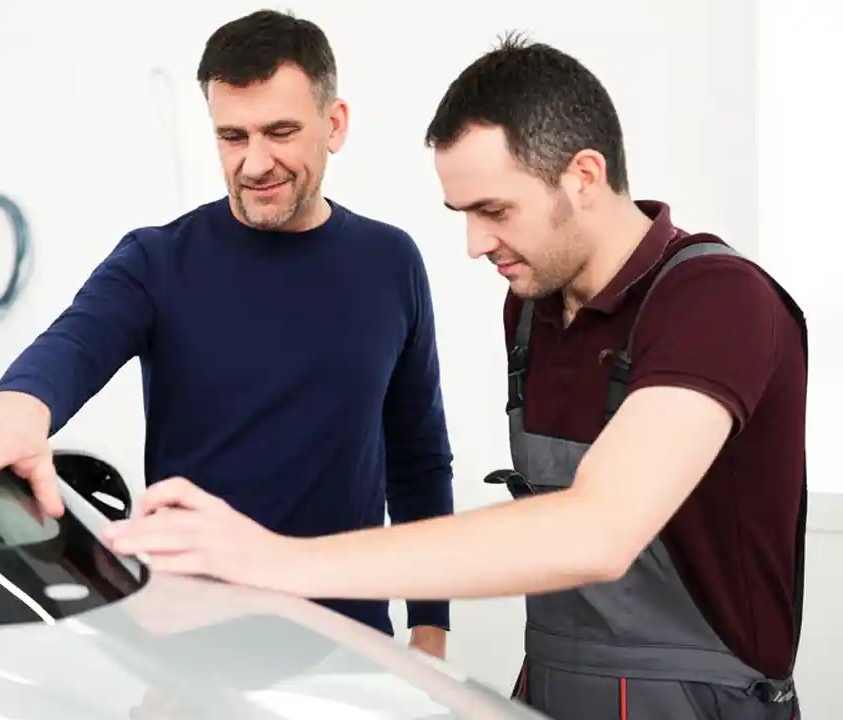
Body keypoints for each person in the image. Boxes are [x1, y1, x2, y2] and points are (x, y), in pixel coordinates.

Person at [101, 34, 809, 720]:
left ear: (584, 177)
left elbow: (597, 531)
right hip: (549, 684)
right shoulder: (534, 309)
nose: (474, 245)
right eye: (463, 214)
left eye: (494, 211)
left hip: (694, 701)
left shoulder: (718, 302)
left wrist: (276, 563)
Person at [0, 9, 455, 656]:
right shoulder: (156, 262)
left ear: (334, 124)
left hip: (348, 644)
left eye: (280, 131)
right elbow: (75, 344)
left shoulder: (390, 263)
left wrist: (430, 630)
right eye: (233, 136)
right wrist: (18, 409)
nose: (255, 161)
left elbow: (418, 458)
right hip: (191, 644)